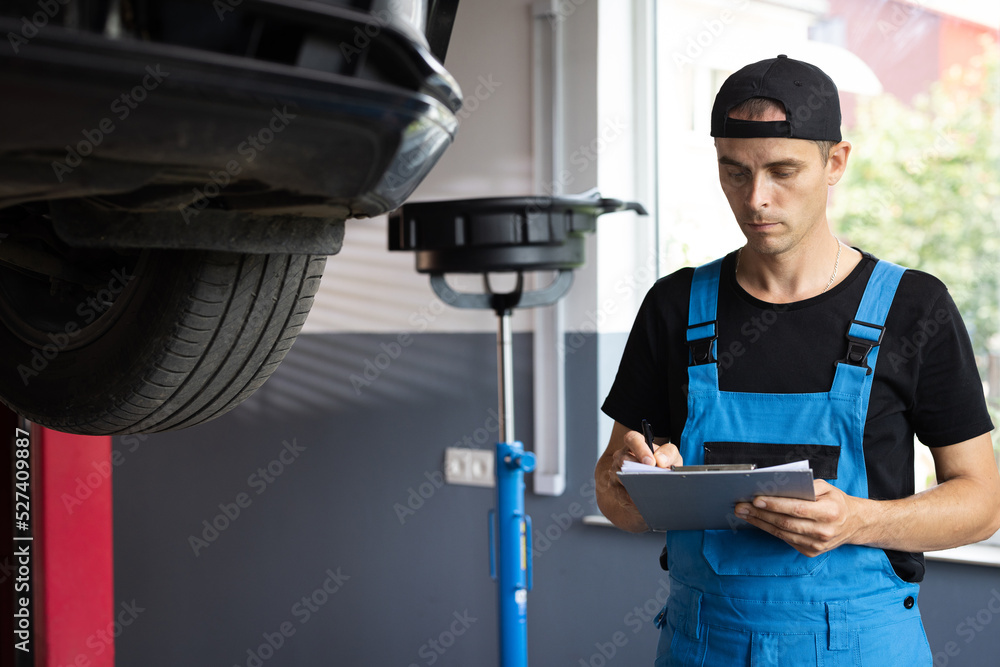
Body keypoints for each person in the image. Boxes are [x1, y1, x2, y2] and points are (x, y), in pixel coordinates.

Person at [595, 54, 1000, 666]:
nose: (756, 199)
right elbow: (614, 496)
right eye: (734, 172)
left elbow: (982, 503)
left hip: (861, 646)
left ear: (835, 163)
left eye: (783, 171)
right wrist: (637, 483)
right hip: (702, 644)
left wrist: (858, 521)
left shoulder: (914, 308)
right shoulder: (674, 306)